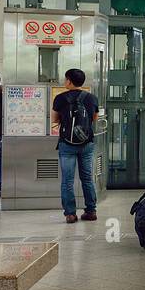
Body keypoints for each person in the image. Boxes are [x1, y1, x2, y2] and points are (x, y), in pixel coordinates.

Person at [52, 68, 100, 224]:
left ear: (69, 81)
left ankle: (70, 214)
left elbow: (54, 119)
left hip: (66, 143)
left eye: (65, 79)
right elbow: (94, 119)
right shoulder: (92, 98)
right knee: (87, 178)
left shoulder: (60, 98)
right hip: (87, 143)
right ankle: (91, 211)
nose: (64, 82)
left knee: (67, 180)